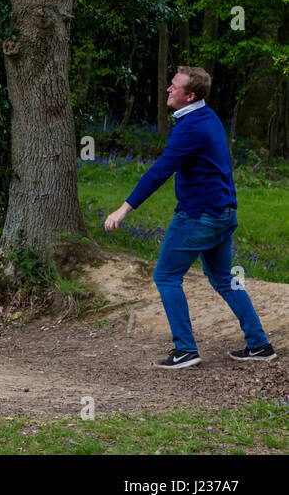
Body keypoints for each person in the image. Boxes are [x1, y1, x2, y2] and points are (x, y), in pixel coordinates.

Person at [103, 66, 275, 368]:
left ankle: (185, 350)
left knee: (166, 276)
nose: (168, 89)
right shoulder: (206, 117)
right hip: (224, 213)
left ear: (190, 95)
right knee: (224, 279)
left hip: (199, 217)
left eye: (174, 86)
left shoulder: (191, 127)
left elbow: (160, 171)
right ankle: (259, 344)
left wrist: (124, 208)